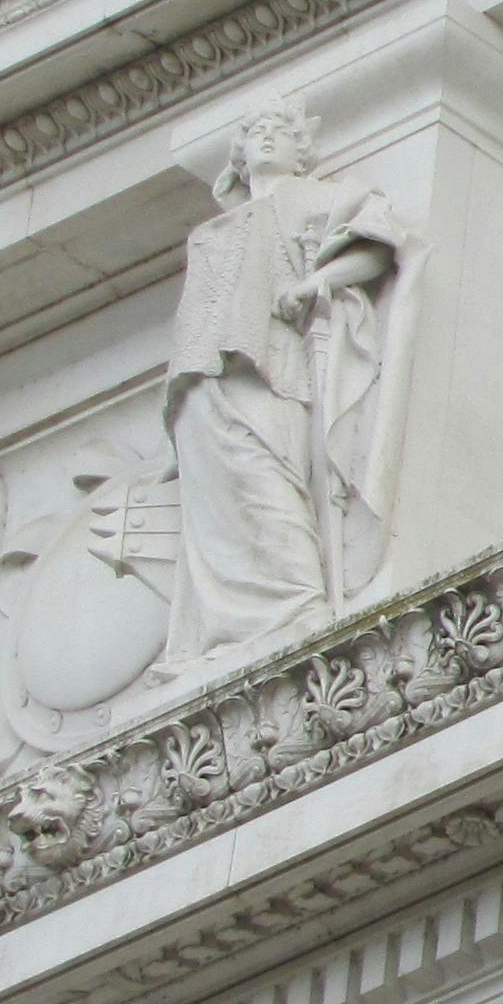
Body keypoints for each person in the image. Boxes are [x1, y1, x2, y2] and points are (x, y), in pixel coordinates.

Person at [151, 101, 409, 675]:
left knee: (267, 473)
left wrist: (317, 282)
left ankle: (292, 602)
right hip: (199, 378)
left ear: (303, 152)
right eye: (255, 133)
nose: (266, 138)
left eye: (280, 132)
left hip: (269, 371)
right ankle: (226, 630)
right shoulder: (215, 229)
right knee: (217, 495)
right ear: (239, 157)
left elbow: (377, 239)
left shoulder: (315, 198)